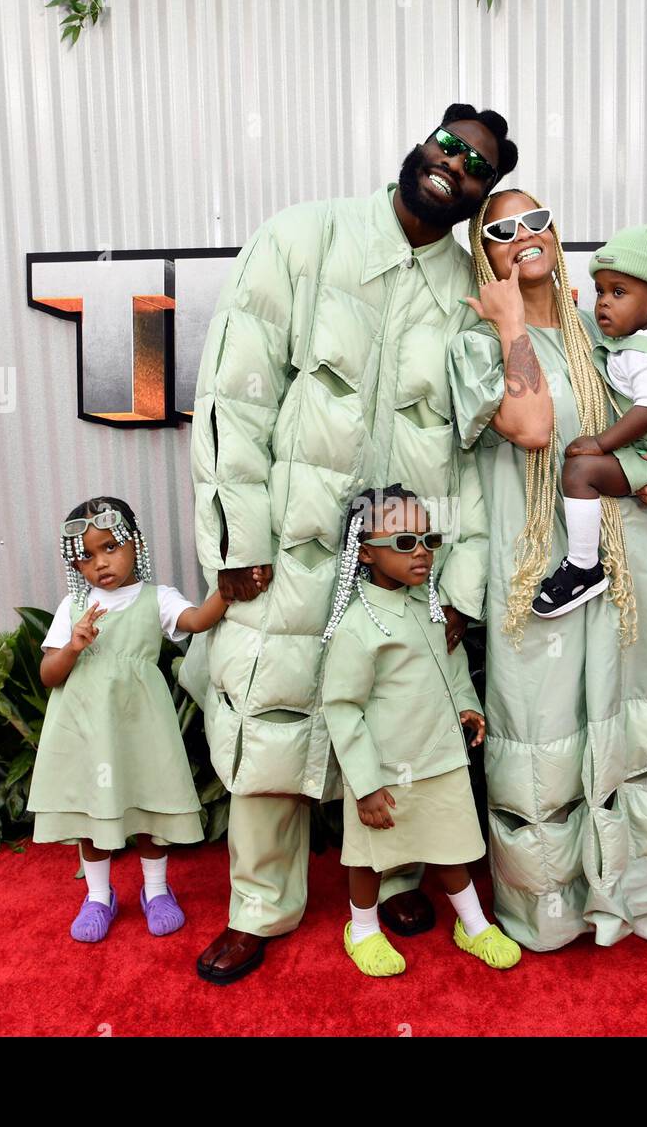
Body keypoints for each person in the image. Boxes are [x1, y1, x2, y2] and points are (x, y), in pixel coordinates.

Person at [181, 106, 518, 984]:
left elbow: (472, 457)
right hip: (290, 551)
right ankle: (259, 905)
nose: (453, 165)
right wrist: (235, 539)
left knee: (405, 713)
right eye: (447, 145)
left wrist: (462, 588)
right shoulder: (302, 239)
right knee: (270, 711)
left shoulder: (466, 298)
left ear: (480, 196)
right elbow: (233, 398)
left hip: (406, 566)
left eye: (475, 166)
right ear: (418, 144)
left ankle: (401, 870)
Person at [447, 190, 647, 952]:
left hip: (637, 550)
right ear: (486, 252)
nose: (523, 236)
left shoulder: (602, 325)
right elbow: (534, 427)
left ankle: (640, 884)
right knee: (548, 721)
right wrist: (512, 321)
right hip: (540, 570)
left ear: (556, 231)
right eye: (501, 230)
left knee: (638, 706)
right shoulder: (477, 343)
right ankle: (561, 904)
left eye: (535, 219)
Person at [321, 485, 521, 977]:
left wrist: (467, 706)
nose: (423, 552)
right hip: (385, 768)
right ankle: (363, 930)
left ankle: (472, 924)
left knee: (450, 843)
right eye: (404, 542)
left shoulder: (430, 608)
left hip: (440, 756)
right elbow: (343, 708)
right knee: (369, 856)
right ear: (365, 553)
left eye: (429, 539)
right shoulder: (356, 628)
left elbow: (451, 665)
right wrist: (365, 785)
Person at [27, 496, 241, 943]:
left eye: (110, 547)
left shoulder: (156, 598)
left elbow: (198, 620)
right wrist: (73, 647)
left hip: (141, 726)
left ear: (135, 545)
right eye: (86, 557)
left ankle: (156, 891)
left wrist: (226, 588)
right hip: (87, 730)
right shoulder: (74, 607)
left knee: (149, 808)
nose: (100, 563)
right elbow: (49, 675)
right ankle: (98, 896)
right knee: (93, 815)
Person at [532, 224, 647, 620]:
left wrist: (601, 444)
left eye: (618, 293)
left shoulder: (642, 352)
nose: (603, 302)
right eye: (600, 291)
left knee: (581, 471)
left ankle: (584, 565)